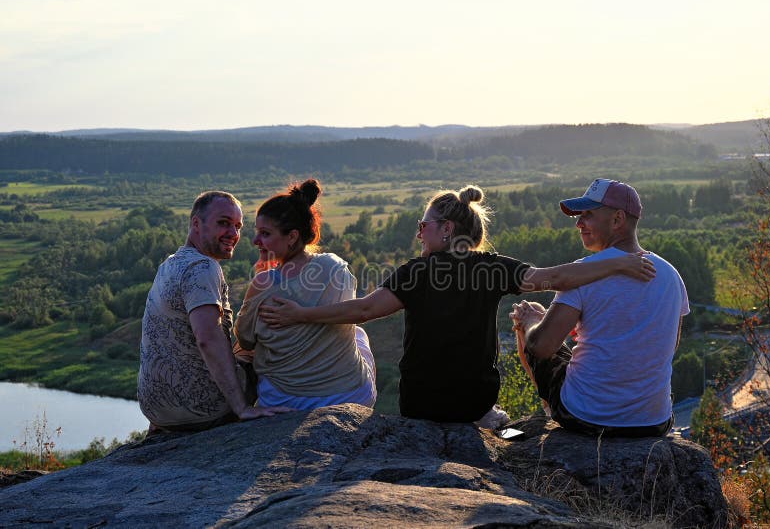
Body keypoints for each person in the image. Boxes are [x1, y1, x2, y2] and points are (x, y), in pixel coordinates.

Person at [261, 185, 655, 425]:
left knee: (361, 335)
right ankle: (490, 421)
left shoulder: (415, 272)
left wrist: (300, 315)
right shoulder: (492, 268)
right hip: (473, 402)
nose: (419, 232)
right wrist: (617, 261)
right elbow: (558, 278)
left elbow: (361, 311)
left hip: (421, 404)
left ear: (447, 230)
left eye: (424, 225)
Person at [511, 178, 689, 437]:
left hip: (586, 417)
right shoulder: (670, 274)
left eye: (588, 215)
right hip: (653, 421)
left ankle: (549, 411)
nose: (578, 223)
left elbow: (542, 347)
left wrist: (528, 322)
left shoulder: (583, 274)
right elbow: (669, 344)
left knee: (531, 324)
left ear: (617, 220)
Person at [137, 191, 291, 433]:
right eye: (223, 223)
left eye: (238, 226)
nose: (234, 234)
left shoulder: (170, 263)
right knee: (264, 344)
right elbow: (207, 338)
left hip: (157, 411)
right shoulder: (202, 267)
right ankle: (305, 408)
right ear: (196, 224)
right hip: (202, 410)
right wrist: (241, 408)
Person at [233, 179, 377, 410]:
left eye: (265, 234)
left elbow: (246, 340)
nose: (255, 241)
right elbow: (346, 314)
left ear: (292, 236)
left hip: (285, 400)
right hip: (350, 396)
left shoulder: (263, 283)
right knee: (358, 335)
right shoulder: (335, 267)